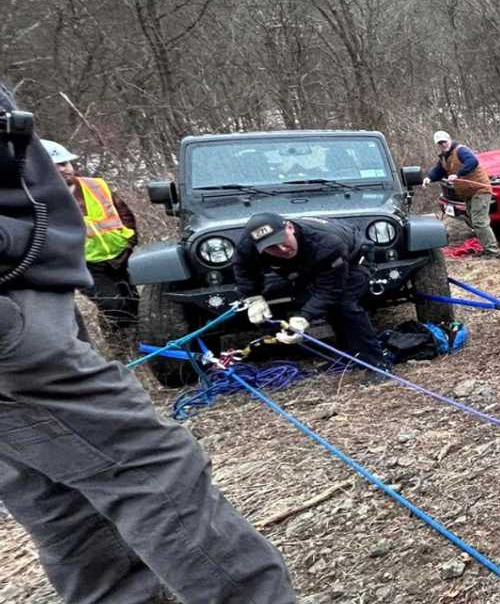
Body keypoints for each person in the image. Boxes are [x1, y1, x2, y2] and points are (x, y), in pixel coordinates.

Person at [0, 84, 296, 603]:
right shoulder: (248, 239)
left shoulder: (322, 240)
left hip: (36, 284)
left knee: (61, 499)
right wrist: (255, 302)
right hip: (17, 304)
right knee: (152, 471)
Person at [234, 212, 391, 374]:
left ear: (289, 227)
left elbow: (330, 291)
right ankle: (348, 356)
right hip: (307, 266)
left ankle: (377, 364)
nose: (282, 249)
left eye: (281, 241)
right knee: (314, 302)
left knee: (345, 306)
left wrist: (304, 317)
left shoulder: (327, 243)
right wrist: (253, 298)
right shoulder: (248, 246)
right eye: (272, 247)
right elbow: (243, 269)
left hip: (353, 260)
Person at [42, 139, 140, 329]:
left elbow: (124, 213)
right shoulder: (40, 200)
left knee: (134, 302)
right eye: (54, 166)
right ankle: (121, 343)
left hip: (121, 256)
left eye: (64, 163)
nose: (62, 169)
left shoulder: (95, 185)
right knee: (114, 305)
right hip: (86, 266)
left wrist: (129, 241)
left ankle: (127, 341)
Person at [424, 130, 500, 259]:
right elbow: (438, 171)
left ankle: (493, 252)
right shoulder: (444, 157)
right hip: (468, 193)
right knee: (473, 221)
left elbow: (472, 162)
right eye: (440, 143)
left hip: (480, 189)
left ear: (449, 139)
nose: (443, 144)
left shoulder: (461, 150)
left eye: (444, 141)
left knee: (479, 221)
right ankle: (486, 248)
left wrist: (458, 174)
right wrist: (429, 178)